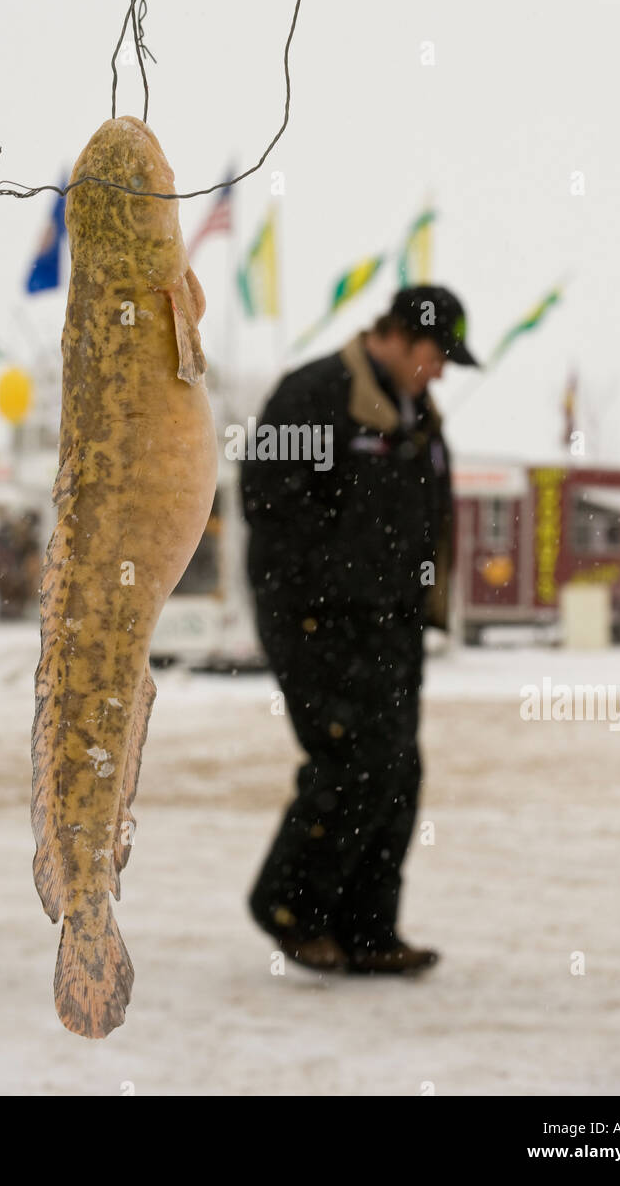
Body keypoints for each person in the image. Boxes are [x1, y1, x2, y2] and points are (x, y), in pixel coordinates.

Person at [240, 285, 479, 975]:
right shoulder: (314, 394)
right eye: (436, 355)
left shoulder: (418, 417)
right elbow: (267, 500)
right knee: (350, 760)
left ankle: (369, 930)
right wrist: (329, 593)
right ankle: (289, 906)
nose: (440, 372)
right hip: (316, 621)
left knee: (399, 770)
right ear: (399, 336)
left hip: (392, 626)